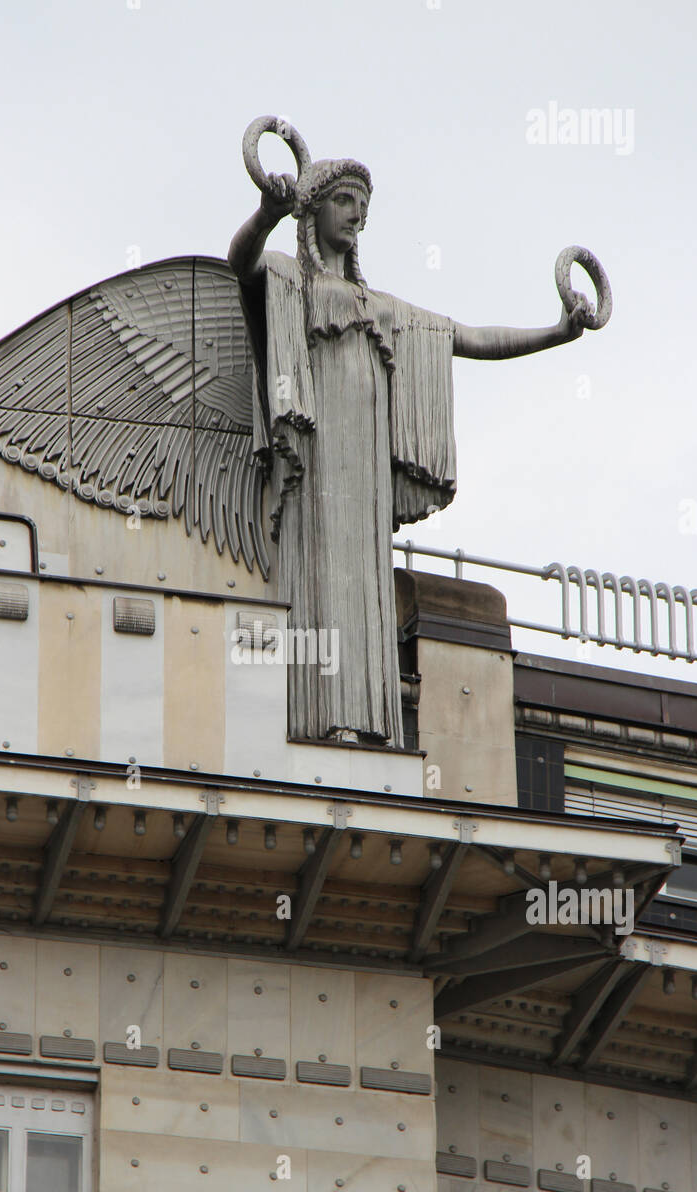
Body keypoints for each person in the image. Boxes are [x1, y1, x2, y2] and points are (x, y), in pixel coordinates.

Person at [229, 154, 587, 747]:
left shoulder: (386, 310)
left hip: (364, 468)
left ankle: (367, 724)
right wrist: (267, 211)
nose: (357, 216)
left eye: (363, 208)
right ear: (313, 209)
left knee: (365, 585)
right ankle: (319, 720)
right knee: (325, 580)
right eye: (345, 202)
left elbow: (470, 338)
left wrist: (556, 332)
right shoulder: (290, 281)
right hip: (317, 465)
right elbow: (239, 264)